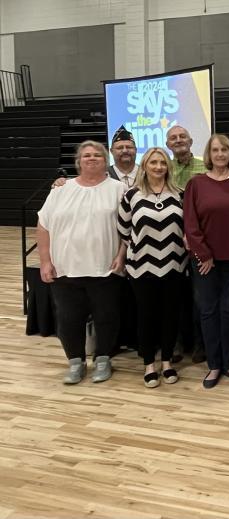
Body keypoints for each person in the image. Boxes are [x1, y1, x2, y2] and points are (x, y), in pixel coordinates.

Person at [37, 141, 126, 383]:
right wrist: (45, 261)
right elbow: (43, 226)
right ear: (78, 161)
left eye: (97, 155)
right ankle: (75, 362)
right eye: (86, 155)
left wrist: (121, 255)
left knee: (107, 317)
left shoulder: (119, 189)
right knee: (68, 319)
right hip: (66, 268)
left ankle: (103, 359)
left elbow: (128, 228)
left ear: (105, 160)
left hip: (105, 269)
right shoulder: (60, 190)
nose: (92, 158)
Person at [184, 133, 229, 388]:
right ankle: (214, 365)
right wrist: (204, 255)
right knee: (208, 310)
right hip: (205, 261)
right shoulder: (196, 184)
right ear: (209, 154)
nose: (220, 154)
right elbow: (190, 223)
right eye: (215, 150)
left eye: (224, 149)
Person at [117, 147, 188, 387]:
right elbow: (124, 229)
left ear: (168, 166)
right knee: (146, 316)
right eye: (153, 162)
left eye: (163, 163)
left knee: (170, 315)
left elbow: (187, 228)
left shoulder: (180, 194)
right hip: (141, 267)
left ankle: (167, 362)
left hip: (174, 265)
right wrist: (141, 248)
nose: (158, 167)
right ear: (145, 166)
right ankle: (149, 364)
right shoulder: (131, 195)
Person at [167, 125, 207, 190]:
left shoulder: (206, 167)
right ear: (168, 145)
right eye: (173, 138)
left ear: (191, 142)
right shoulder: (164, 169)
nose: (178, 140)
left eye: (182, 136)